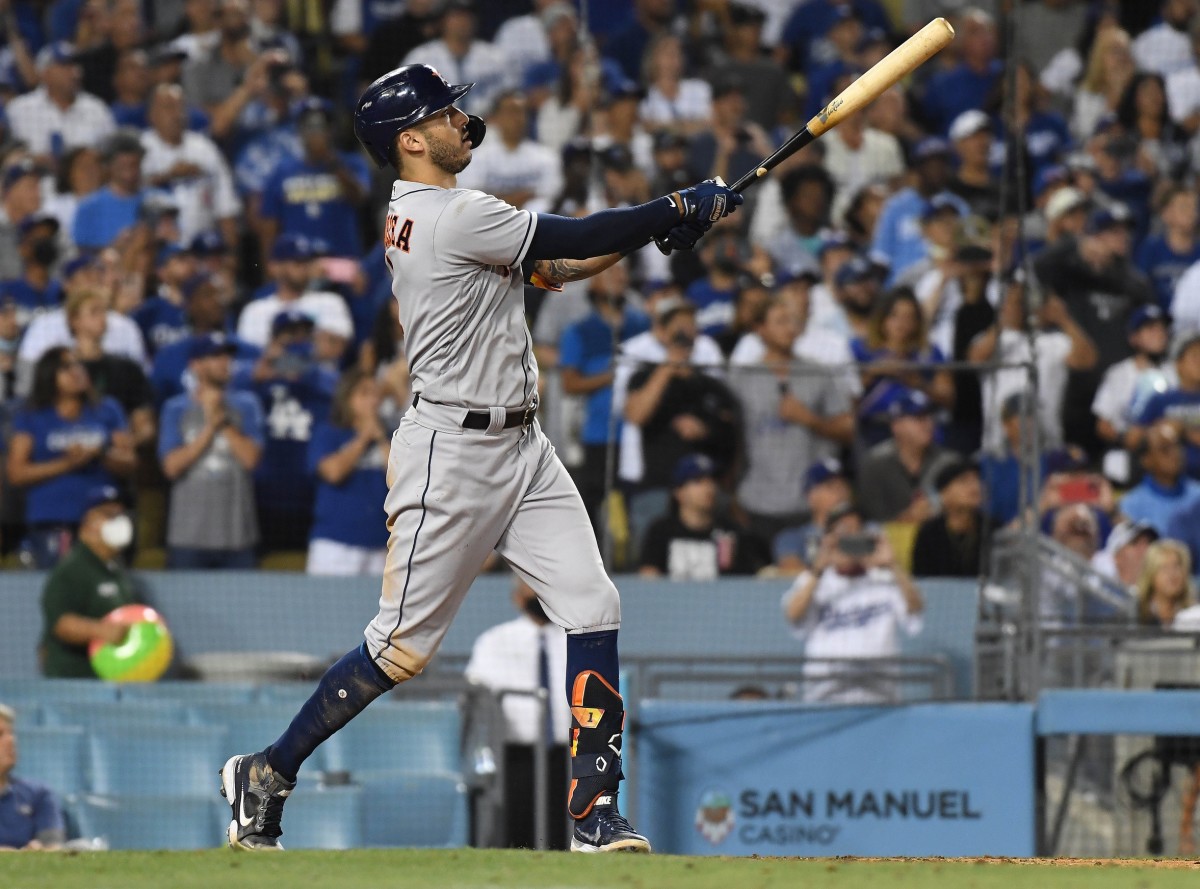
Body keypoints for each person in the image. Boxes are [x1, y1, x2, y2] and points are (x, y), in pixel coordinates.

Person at [218, 63, 741, 854]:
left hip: (522, 444)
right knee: (399, 648)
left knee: (592, 605)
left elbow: (555, 266)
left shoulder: (448, 213)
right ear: (410, 139)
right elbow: (574, 236)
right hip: (452, 454)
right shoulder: (446, 214)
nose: (461, 121)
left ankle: (594, 810)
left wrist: (656, 231)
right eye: (444, 114)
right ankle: (267, 770)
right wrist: (672, 207)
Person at [727, 295, 853, 544]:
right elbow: (731, 442)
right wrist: (732, 494)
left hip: (810, 503)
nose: (789, 328)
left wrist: (809, 419)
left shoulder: (817, 372)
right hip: (757, 501)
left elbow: (848, 429)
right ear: (760, 328)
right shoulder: (741, 378)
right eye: (780, 322)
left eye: (792, 321)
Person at [780, 502, 924, 704]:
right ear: (829, 539)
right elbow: (793, 614)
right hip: (825, 697)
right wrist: (819, 566)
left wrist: (893, 565)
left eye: (857, 531)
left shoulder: (885, 579)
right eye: (843, 531)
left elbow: (916, 608)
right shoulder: (814, 580)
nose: (851, 537)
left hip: (880, 697)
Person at [464, 576, 570, 850]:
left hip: (567, 756)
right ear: (517, 597)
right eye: (531, 590)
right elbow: (478, 690)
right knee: (517, 830)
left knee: (563, 831)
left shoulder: (574, 641)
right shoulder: (495, 641)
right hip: (515, 754)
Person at [6, 347, 135, 568]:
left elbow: (129, 462)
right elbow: (16, 473)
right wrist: (68, 463)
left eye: (79, 365)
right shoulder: (31, 415)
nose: (77, 372)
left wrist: (100, 453)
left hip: (103, 519)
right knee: (61, 584)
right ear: (49, 375)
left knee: (105, 584)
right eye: (66, 368)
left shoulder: (107, 409)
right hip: (52, 519)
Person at [159, 334, 264, 569]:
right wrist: (209, 428)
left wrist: (222, 421)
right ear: (195, 365)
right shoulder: (175, 408)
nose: (225, 362)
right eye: (216, 356)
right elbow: (172, 467)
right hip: (188, 537)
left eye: (227, 356)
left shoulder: (247, 404)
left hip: (238, 537)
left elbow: (250, 460)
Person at [558, 269, 650, 536]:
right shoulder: (579, 331)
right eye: (610, 275)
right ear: (594, 284)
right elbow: (570, 383)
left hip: (641, 431)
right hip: (599, 432)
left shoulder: (641, 324)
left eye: (622, 273)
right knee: (593, 505)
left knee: (640, 502)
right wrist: (614, 376)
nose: (620, 278)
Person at [39, 485, 138, 678]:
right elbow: (61, 624)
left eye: (120, 515)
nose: (119, 522)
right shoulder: (72, 569)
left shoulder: (115, 569)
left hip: (107, 677)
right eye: (108, 515)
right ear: (87, 524)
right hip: (73, 679)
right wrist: (100, 631)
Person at [306, 369, 389, 576]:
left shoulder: (391, 436)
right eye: (364, 393)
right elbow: (333, 473)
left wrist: (379, 438)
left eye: (376, 393)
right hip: (335, 542)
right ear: (347, 398)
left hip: (380, 542)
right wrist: (363, 438)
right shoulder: (329, 433)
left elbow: (402, 480)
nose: (372, 400)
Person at [639, 453, 771, 580]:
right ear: (679, 492)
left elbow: (744, 580)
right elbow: (648, 576)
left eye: (712, 480)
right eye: (698, 481)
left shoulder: (730, 532)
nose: (709, 487)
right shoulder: (662, 531)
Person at [856, 389, 957, 525]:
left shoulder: (950, 463)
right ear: (896, 426)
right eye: (919, 418)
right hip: (889, 537)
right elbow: (872, 521)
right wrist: (910, 518)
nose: (928, 424)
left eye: (930, 417)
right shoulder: (874, 465)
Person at [1132, 329, 1200, 480]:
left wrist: (1184, 430)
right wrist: (1159, 430)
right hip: (1168, 482)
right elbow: (1133, 440)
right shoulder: (1161, 400)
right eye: (1195, 356)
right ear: (1178, 364)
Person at [0, 703, 65, 851]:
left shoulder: (39, 794)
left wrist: (41, 851)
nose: (11, 740)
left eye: (11, 733)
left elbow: (54, 845)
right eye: (0, 734)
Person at [772, 457, 853, 574]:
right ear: (811, 496)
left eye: (843, 485)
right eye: (830, 486)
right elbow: (790, 572)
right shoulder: (793, 538)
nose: (841, 491)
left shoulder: (870, 530)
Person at [1119, 421, 1200, 537]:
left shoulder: (1197, 495)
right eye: (1164, 449)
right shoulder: (1131, 506)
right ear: (1146, 460)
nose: (1175, 453)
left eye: (1177, 445)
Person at [910, 457, 986, 578]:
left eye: (977, 480)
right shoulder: (930, 533)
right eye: (963, 481)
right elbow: (921, 579)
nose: (975, 486)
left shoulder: (992, 528)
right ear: (943, 493)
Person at [1135, 539, 1196, 627]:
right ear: (1150, 574)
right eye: (1164, 568)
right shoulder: (1135, 613)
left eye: (1176, 566)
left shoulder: (1195, 613)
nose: (1172, 574)